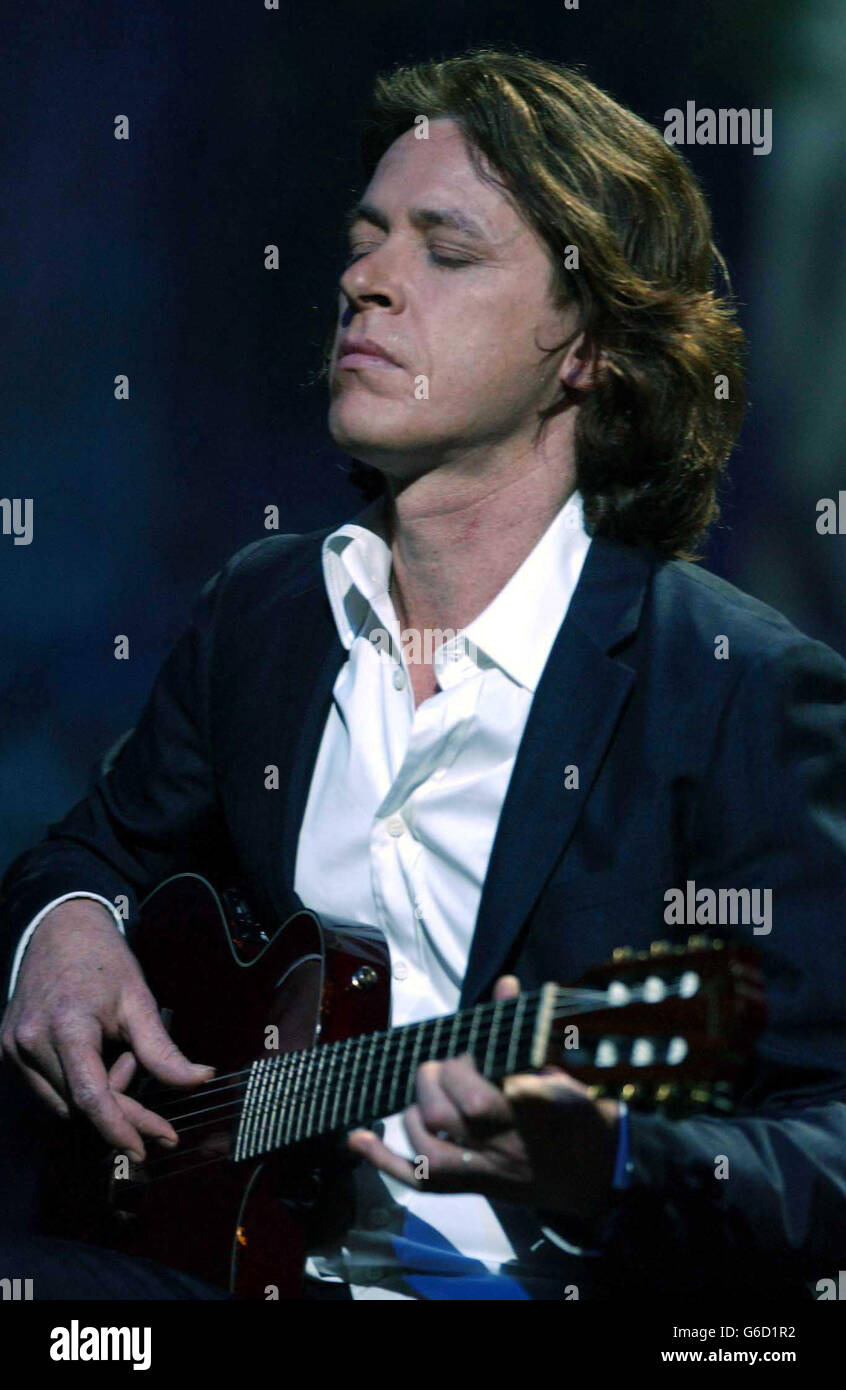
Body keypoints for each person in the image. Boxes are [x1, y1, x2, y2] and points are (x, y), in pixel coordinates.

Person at [2, 48, 846, 1301]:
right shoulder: (269, 610)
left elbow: (826, 1137)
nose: (364, 280)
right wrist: (58, 933)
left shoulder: (736, 689)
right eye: (366, 239)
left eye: (444, 253)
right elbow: (92, 853)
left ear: (588, 349)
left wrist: (610, 1162)